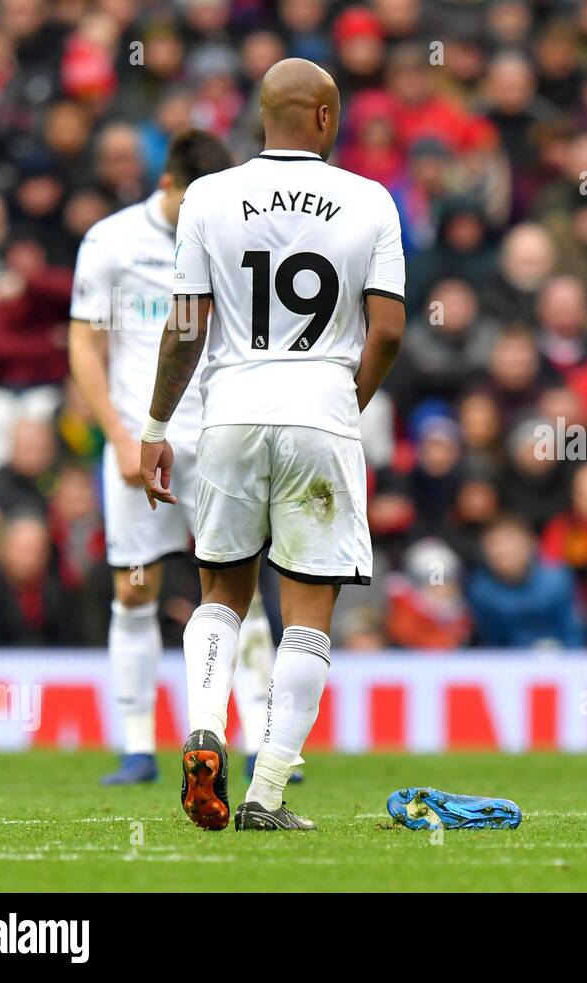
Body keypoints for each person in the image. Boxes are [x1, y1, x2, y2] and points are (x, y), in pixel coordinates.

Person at [140, 59, 406, 831]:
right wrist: (349, 400)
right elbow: (387, 328)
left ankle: (202, 729)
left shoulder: (209, 197)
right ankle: (267, 792)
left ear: (263, 116)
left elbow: (186, 326)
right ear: (324, 119)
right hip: (320, 407)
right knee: (309, 611)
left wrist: (157, 426)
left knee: (222, 592)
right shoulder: (369, 199)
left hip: (229, 408)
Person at [69, 130, 278, 786]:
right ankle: (137, 747)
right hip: (140, 439)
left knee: (239, 588)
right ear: (167, 186)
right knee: (136, 589)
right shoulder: (110, 241)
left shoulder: (239, 238)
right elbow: (85, 344)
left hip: (221, 439)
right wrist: (119, 436)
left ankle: (263, 745)